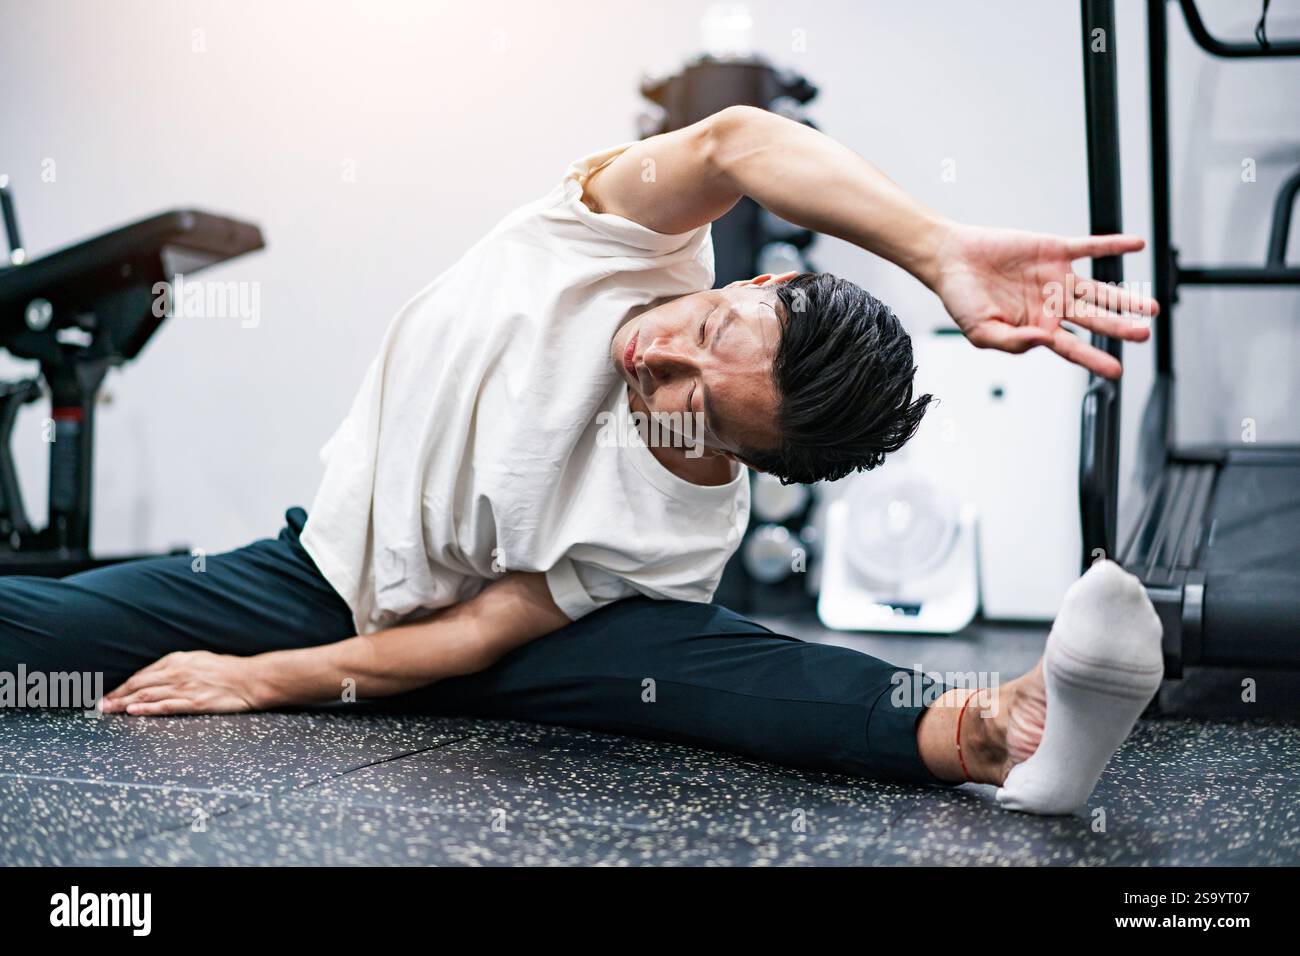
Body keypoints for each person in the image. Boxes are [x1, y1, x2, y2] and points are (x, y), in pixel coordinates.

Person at [0, 106, 1163, 814]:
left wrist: (252, 680)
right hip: (324, 578)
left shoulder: (683, 521)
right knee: (32, 638)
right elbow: (739, 140)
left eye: (699, 406)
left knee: (690, 659)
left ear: (751, 458)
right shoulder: (616, 236)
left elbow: (475, 638)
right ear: (753, 281)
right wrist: (935, 246)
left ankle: (998, 729)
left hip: (489, 653)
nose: (659, 355)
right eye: (706, 329)